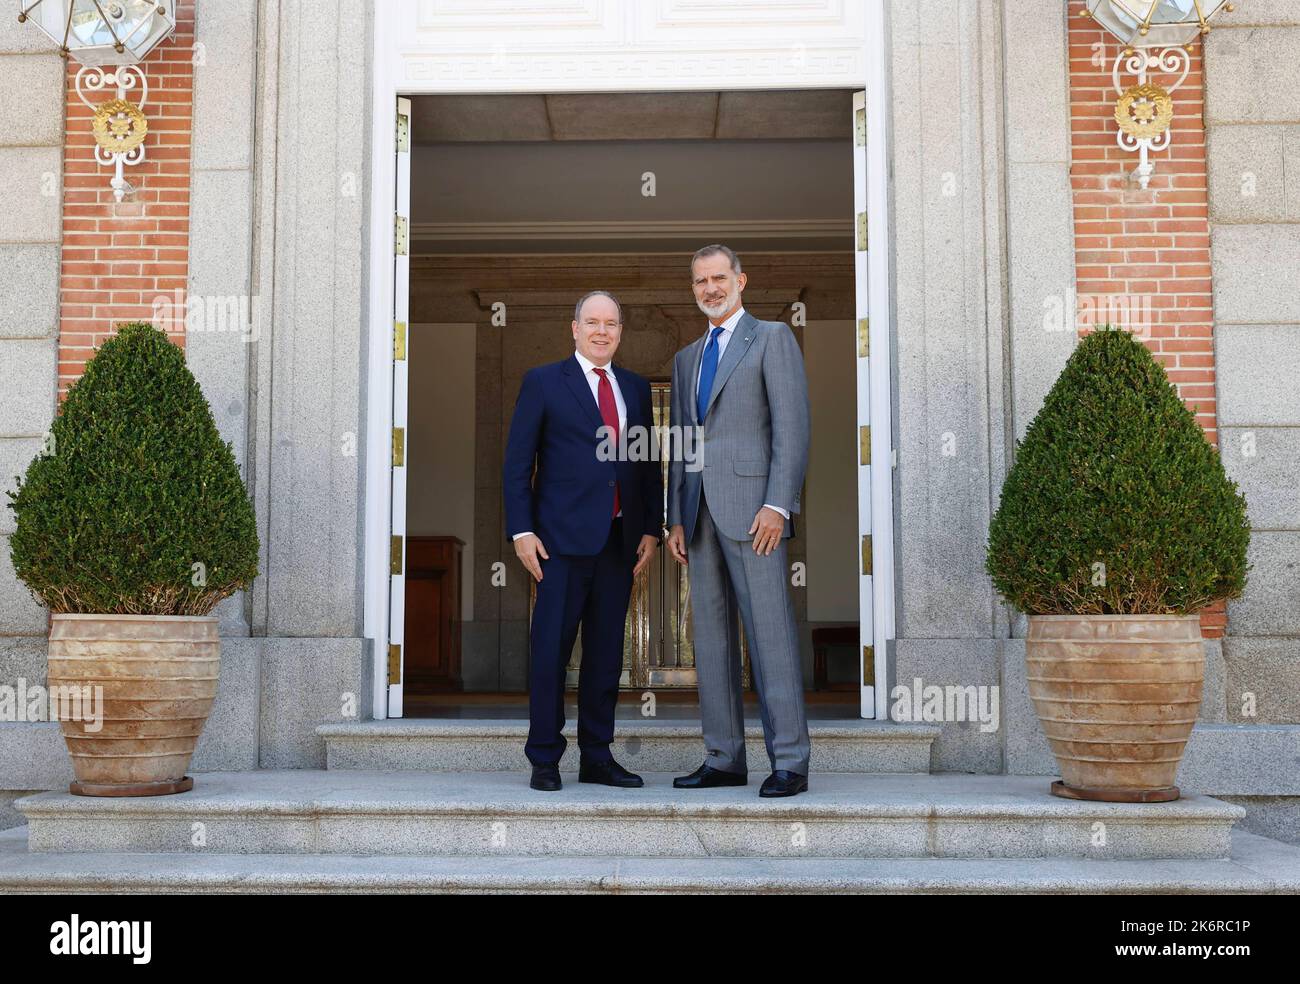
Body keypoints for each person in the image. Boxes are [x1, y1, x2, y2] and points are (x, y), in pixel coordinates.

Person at [665, 244, 812, 797]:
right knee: (712, 643)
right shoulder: (686, 358)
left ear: (741, 280)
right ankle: (724, 757)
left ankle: (790, 761)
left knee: (770, 634)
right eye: (701, 280)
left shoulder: (773, 338)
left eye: (719, 277)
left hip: (756, 515)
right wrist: (676, 517)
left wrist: (778, 504)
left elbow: (791, 428)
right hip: (699, 517)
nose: (710, 288)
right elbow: (682, 443)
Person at [503, 290, 663, 791]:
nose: (601, 331)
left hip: (619, 543)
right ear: (574, 328)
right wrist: (522, 531)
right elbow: (516, 464)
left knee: (605, 655)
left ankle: (597, 756)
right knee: (550, 650)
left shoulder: (635, 389)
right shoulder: (545, 382)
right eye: (591, 322)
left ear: (620, 331)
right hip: (558, 543)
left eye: (610, 323)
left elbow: (646, 463)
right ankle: (545, 758)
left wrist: (650, 529)